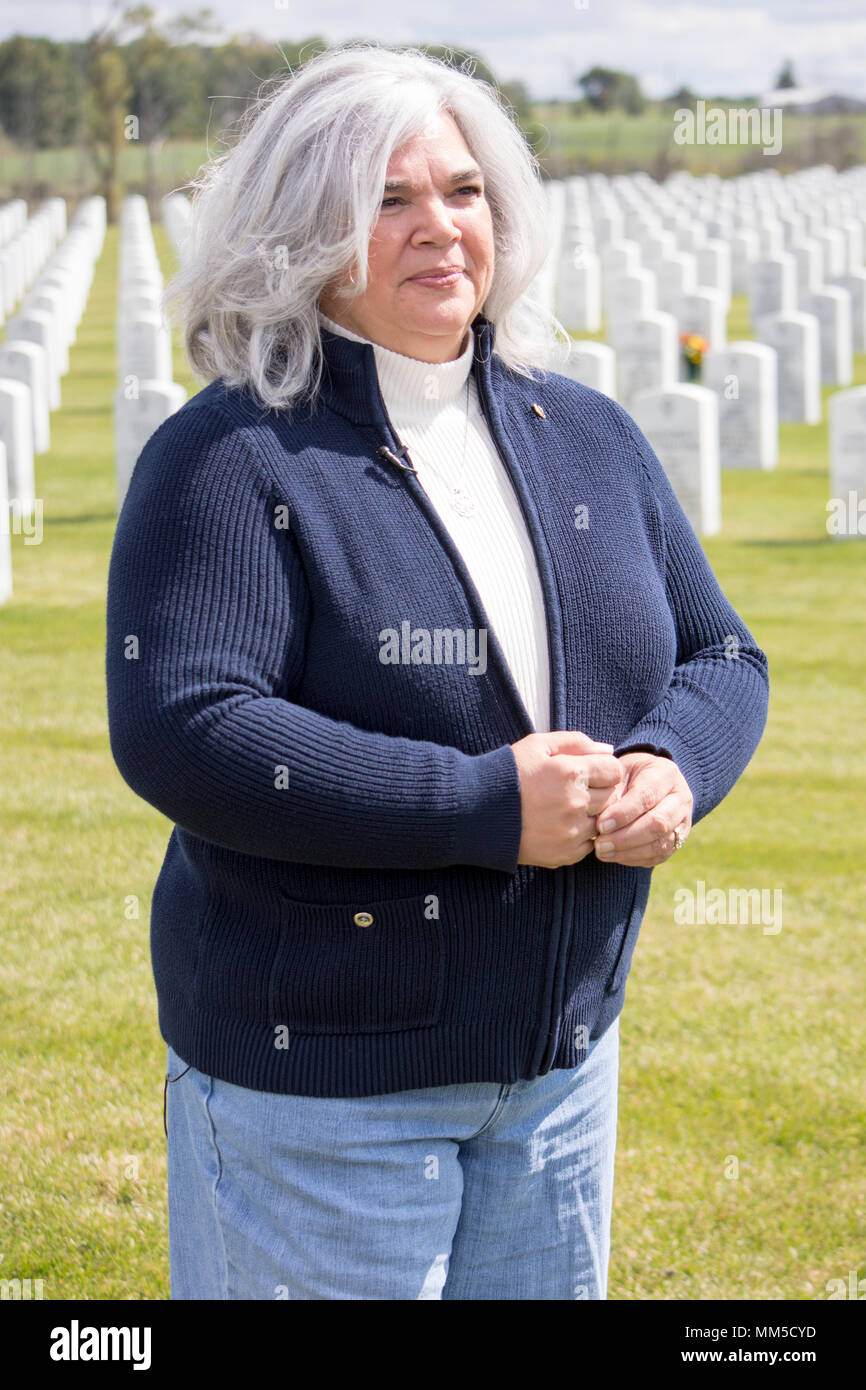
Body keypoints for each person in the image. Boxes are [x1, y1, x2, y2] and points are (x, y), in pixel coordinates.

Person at [105, 41, 769, 1301]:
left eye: (461, 191)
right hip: (323, 1091)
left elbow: (717, 652)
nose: (438, 228)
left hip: (559, 1073)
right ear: (303, 230)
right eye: (387, 200)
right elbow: (185, 724)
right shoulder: (231, 456)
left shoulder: (584, 433)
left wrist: (670, 765)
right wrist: (480, 805)